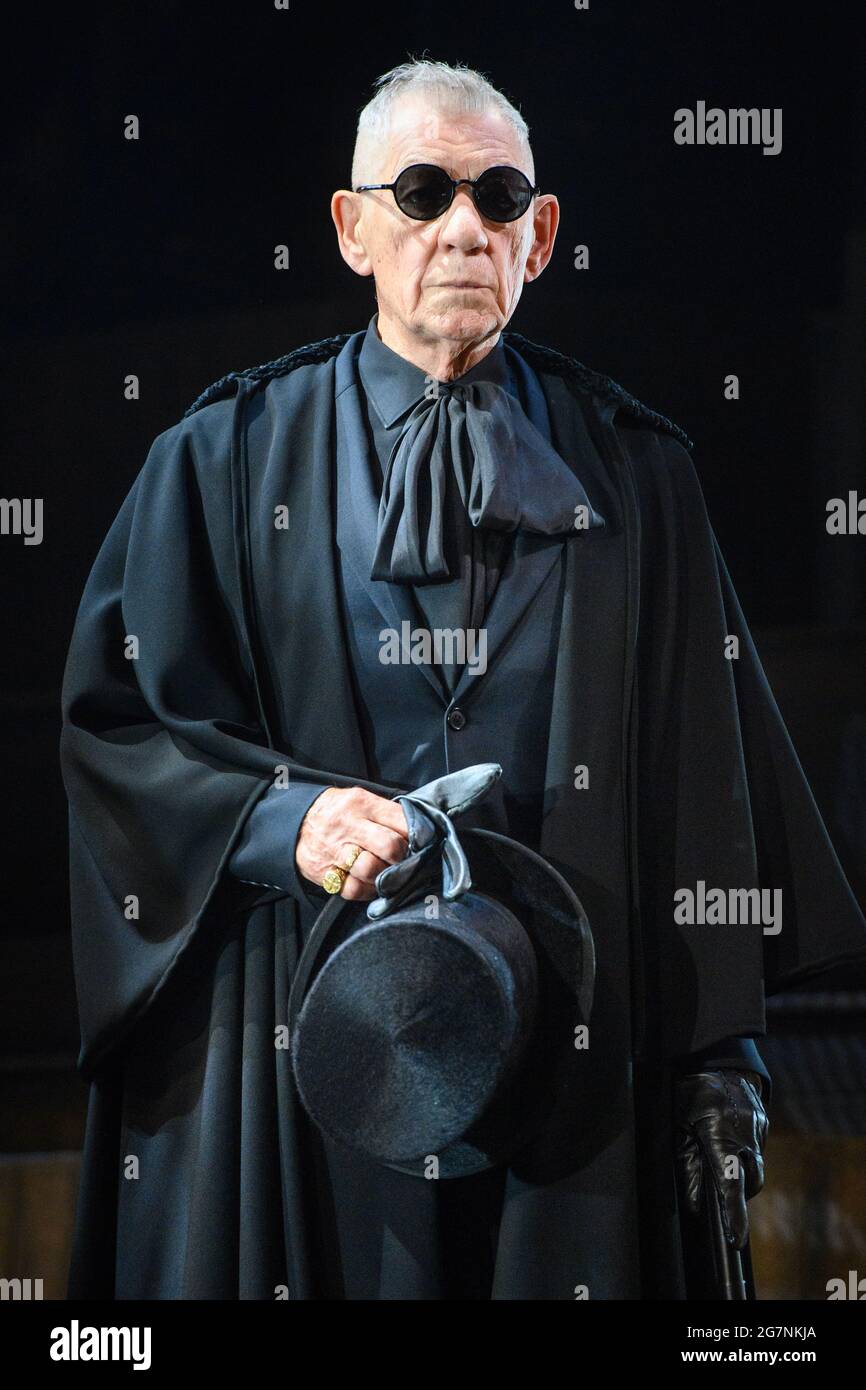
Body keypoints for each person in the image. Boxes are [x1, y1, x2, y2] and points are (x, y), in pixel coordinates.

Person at [60, 58, 866, 1300]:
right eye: (423, 191)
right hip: (307, 1049)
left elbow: (705, 784)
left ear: (538, 237)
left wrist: (722, 1059)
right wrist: (284, 818)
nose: (461, 229)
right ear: (352, 227)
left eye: (498, 199)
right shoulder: (217, 462)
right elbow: (117, 730)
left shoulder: (640, 476)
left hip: (580, 1079)